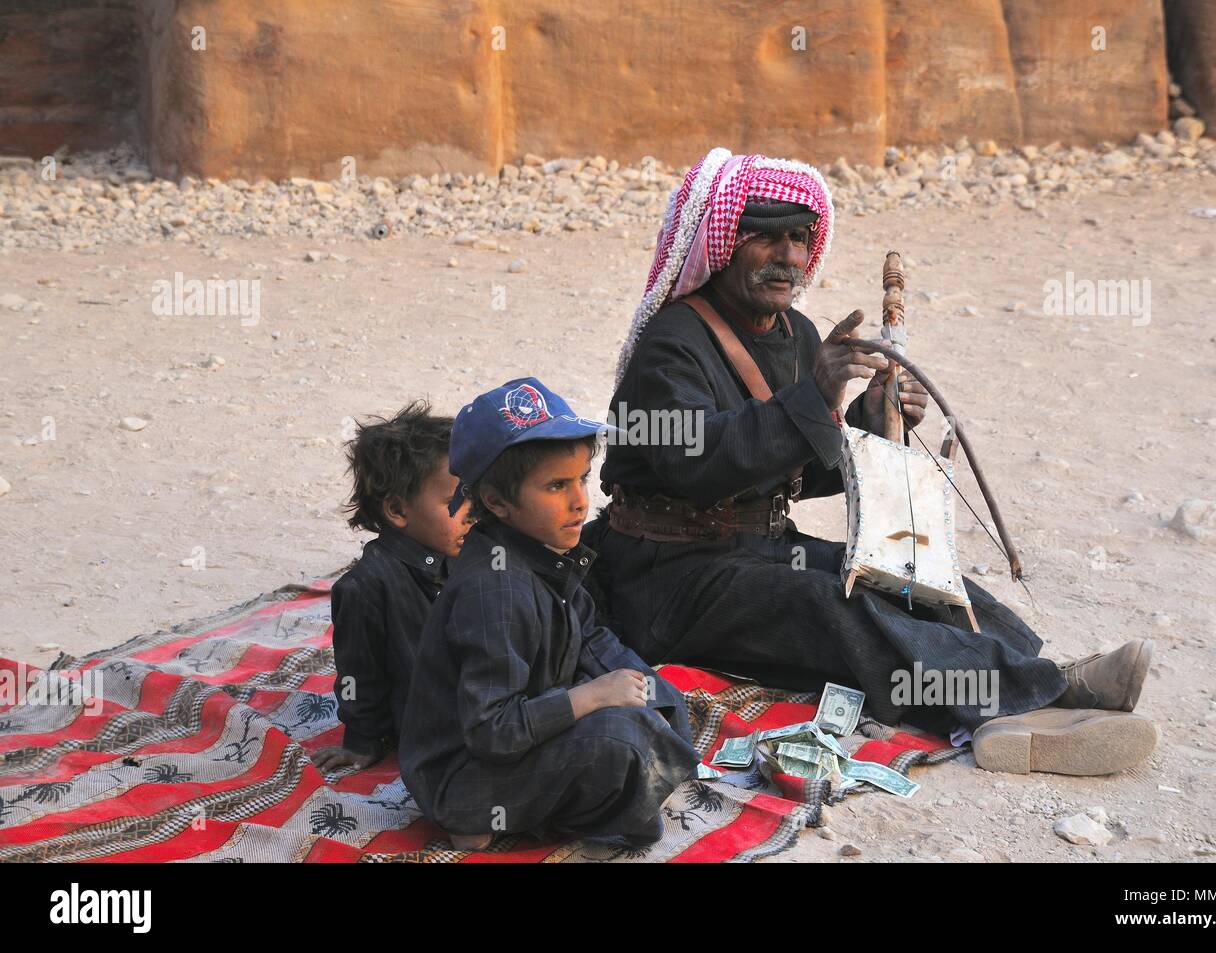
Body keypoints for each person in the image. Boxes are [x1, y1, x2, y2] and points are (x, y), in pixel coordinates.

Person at [584, 147, 1158, 776]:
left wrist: (870, 418)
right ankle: (1016, 712)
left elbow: (798, 474)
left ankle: (1044, 677)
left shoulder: (798, 336)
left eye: (800, 239)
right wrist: (813, 397)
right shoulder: (674, 342)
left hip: (762, 547)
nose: (789, 258)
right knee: (834, 607)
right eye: (765, 238)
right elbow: (699, 464)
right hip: (670, 577)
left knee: (911, 578)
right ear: (723, 243)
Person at [400, 379, 698, 850]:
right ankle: (478, 818)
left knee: (663, 706)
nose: (580, 500)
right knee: (622, 742)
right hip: (463, 776)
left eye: (581, 479)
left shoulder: (542, 552)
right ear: (497, 502)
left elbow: (591, 636)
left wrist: (652, 696)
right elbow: (489, 730)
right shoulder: (494, 591)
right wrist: (591, 698)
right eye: (557, 486)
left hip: (523, 728)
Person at [311, 400, 474, 774]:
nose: (473, 512)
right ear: (398, 511)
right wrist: (361, 739)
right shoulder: (366, 586)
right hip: (432, 724)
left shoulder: (464, 554)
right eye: (456, 502)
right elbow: (357, 674)